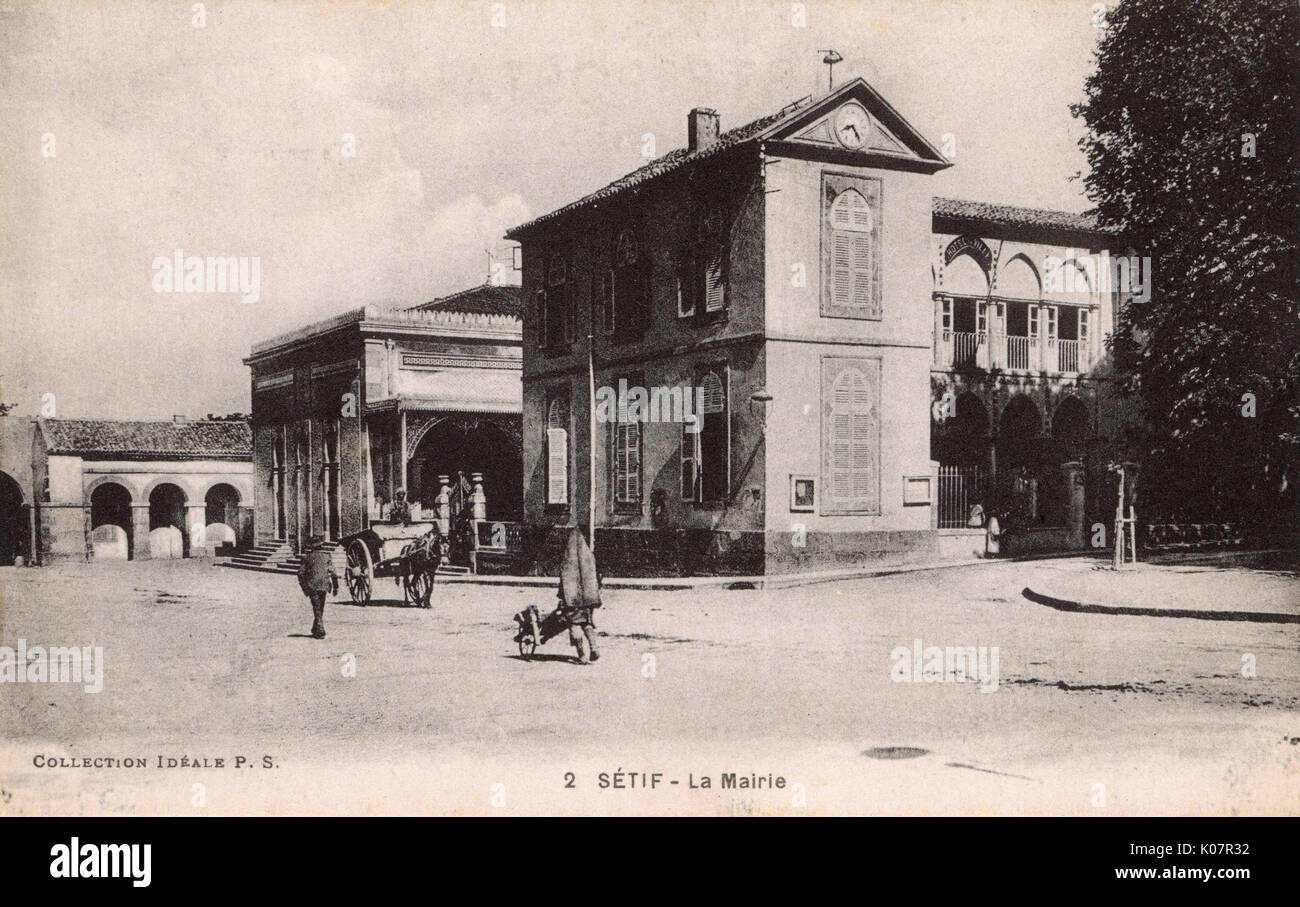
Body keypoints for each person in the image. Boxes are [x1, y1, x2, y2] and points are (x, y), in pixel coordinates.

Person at [557, 526, 601, 665]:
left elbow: (564, 582)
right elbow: (596, 577)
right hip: (588, 599)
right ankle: (594, 648)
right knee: (587, 624)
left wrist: (562, 598)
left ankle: (582, 655)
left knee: (574, 626)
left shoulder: (568, 561)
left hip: (573, 600)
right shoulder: (589, 557)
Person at [297, 535, 338, 639]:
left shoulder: (307, 557)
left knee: (317, 607)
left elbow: (300, 574)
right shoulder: (327, 556)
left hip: (312, 586)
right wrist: (336, 586)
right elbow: (333, 572)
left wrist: (305, 588)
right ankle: (316, 628)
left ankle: (320, 630)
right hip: (324, 585)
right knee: (320, 607)